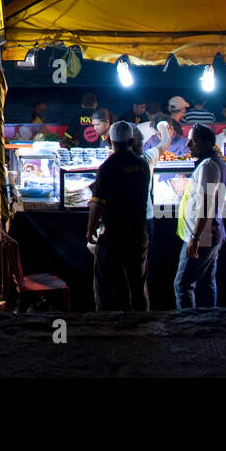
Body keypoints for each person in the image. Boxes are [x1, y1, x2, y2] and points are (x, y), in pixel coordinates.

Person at [86, 121, 152, 310]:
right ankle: (142, 325)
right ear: (131, 140)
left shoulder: (107, 166)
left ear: (110, 142)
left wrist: (91, 228)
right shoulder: (142, 165)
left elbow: (97, 202)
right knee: (138, 286)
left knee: (104, 285)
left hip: (113, 234)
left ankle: (104, 325)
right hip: (138, 232)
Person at [174, 125, 226, 309]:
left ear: (207, 144)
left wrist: (195, 237)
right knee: (206, 283)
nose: (188, 144)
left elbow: (206, 204)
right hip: (210, 235)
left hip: (203, 237)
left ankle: (188, 325)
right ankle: (209, 320)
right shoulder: (214, 163)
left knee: (182, 284)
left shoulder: (208, 166)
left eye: (193, 141)